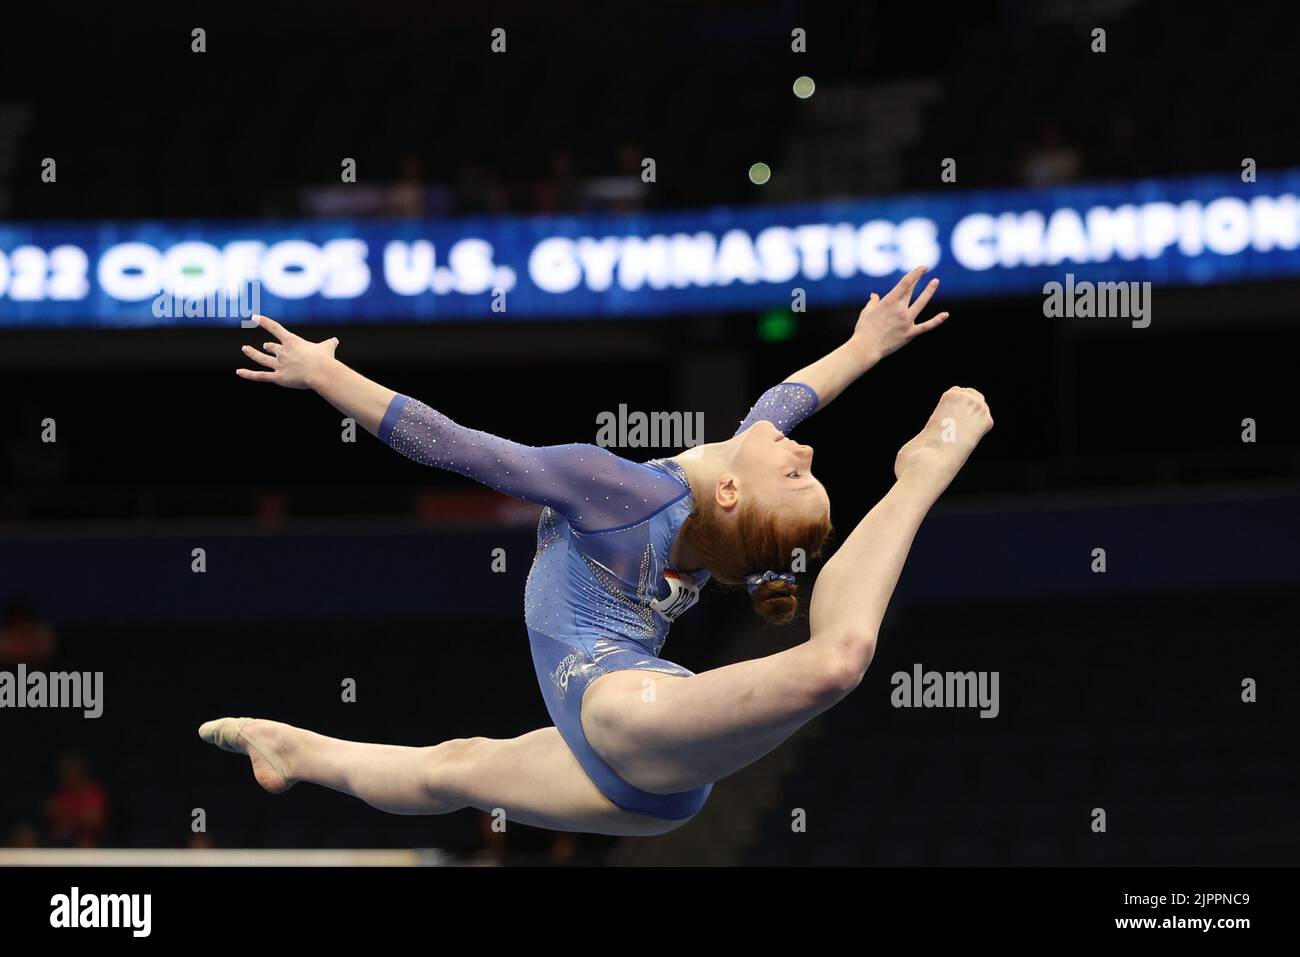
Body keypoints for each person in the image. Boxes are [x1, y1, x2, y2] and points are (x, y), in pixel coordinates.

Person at [202, 265, 993, 836]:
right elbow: (792, 398)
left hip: (627, 714)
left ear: (732, 494)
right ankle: (294, 748)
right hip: (629, 776)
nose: (808, 453)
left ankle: (920, 478)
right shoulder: (722, 482)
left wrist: (325, 373)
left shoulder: (618, 491)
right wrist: (867, 344)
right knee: (448, 767)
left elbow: (454, 445)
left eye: (795, 473)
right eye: (806, 465)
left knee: (837, 662)